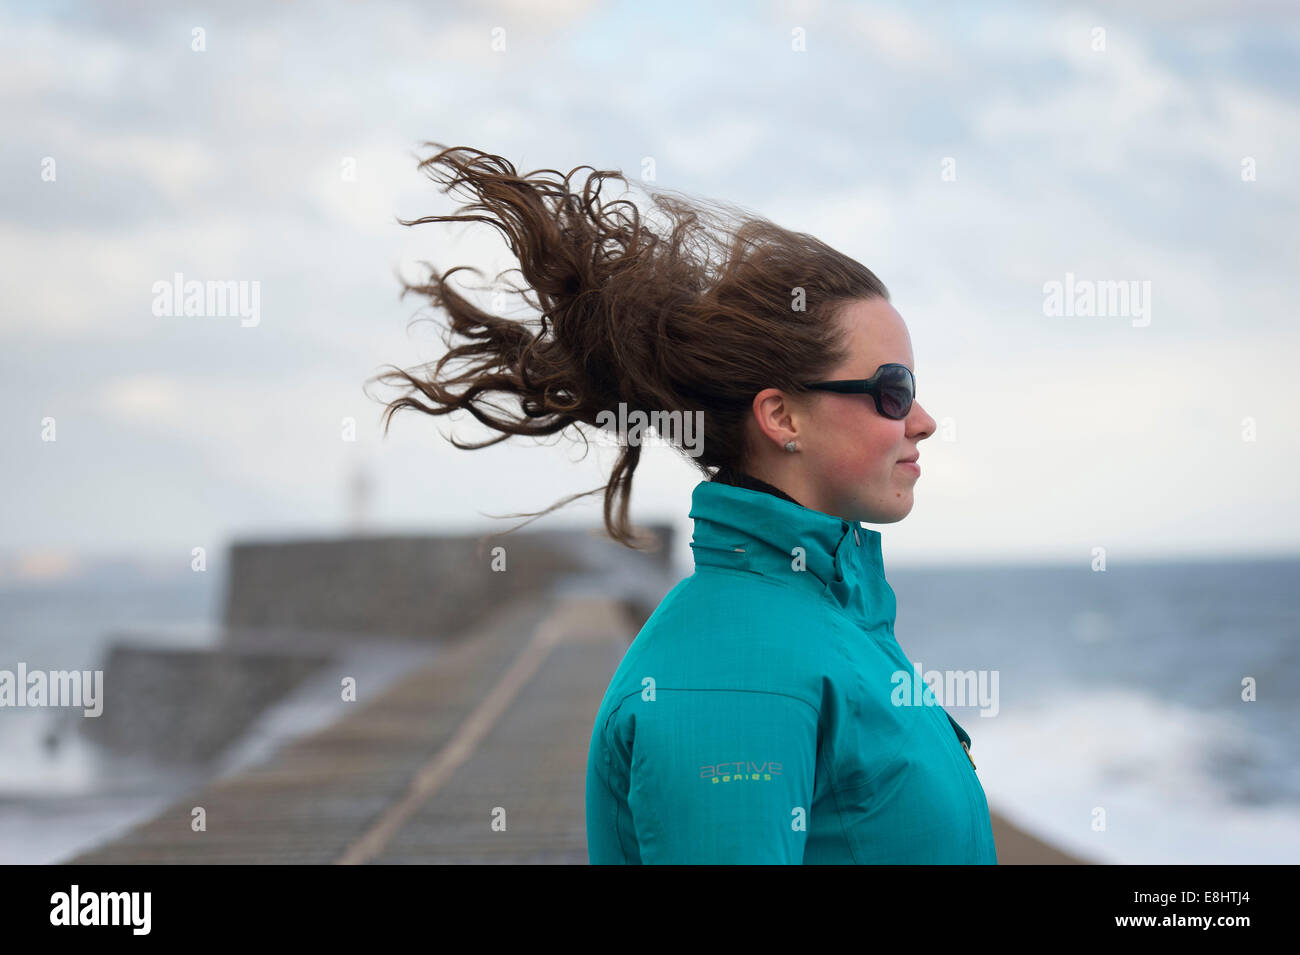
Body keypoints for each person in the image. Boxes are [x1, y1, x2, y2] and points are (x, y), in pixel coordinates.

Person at [368, 144, 998, 864]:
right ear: (782, 417)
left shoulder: (826, 619)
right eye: (893, 392)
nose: (922, 420)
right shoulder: (734, 671)